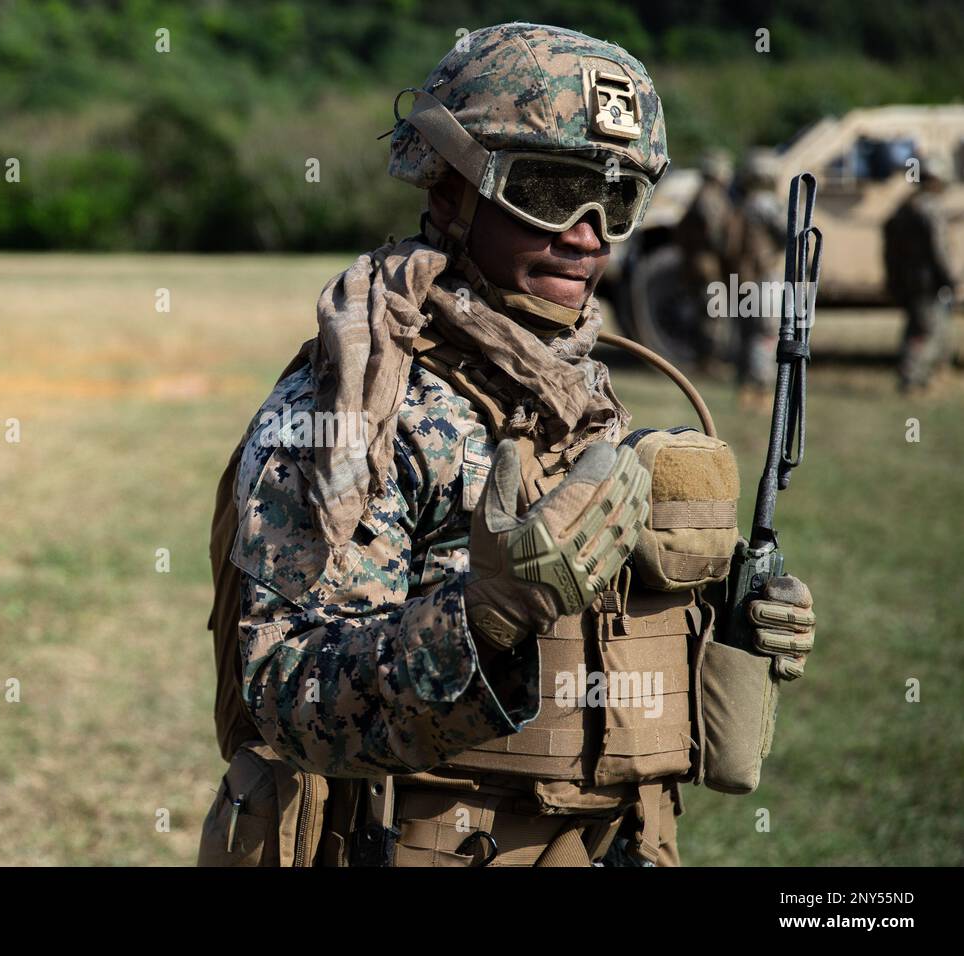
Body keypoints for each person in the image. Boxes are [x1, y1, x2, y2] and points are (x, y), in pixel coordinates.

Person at [200, 22, 817, 868]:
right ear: (451, 186)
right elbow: (284, 693)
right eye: (548, 190)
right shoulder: (360, 405)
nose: (589, 233)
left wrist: (721, 627)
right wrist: (481, 620)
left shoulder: (575, 384)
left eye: (618, 197)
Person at [882, 151, 959, 393]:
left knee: (918, 327)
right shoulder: (929, 209)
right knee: (925, 331)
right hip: (928, 281)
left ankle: (921, 377)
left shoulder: (904, 207)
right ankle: (912, 380)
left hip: (908, 280)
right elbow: (939, 249)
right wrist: (949, 277)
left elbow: (889, 246)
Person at [729, 148, 788, 411]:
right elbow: (789, 233)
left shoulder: (741, 203)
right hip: (764, 277)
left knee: (747, 334)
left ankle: (744, 387)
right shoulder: (765, 203)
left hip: (741, 277)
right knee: (765, 335)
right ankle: (760, 389)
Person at [674, 149, 736, 370]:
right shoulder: (709, 196)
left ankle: (708, 359)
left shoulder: (707, 194)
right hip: (706, 265)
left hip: (705, 264)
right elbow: (715, 233)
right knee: (712, 312)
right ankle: (708, 361)